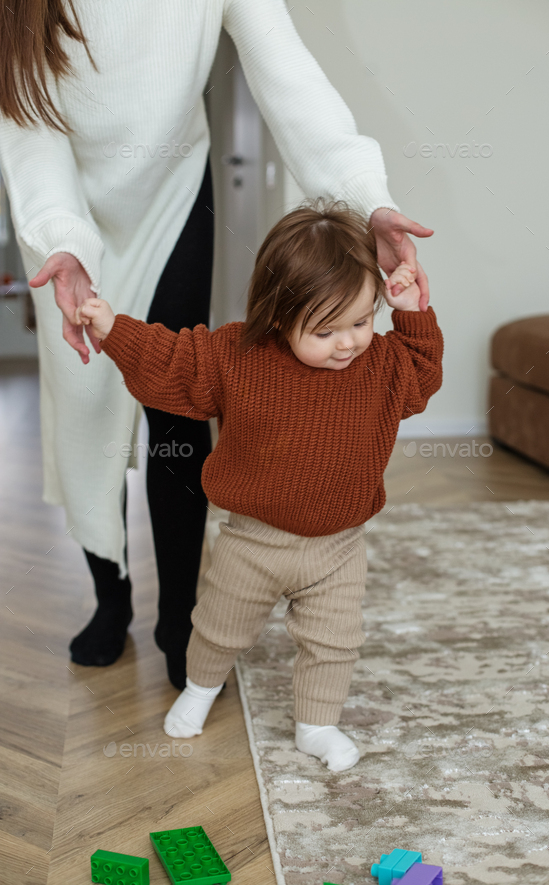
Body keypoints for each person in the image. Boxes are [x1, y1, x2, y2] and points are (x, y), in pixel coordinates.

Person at [0, 0, 434, 690]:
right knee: (84, 408)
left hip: (174, 191)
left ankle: (181, 616)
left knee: (180, 406)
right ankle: (110, 597)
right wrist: (62, 237)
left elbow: (288, 73)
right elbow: (27, 129)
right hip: (69, 215)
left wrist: (363, 195)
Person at [75, 200, 443, 772]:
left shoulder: (384, 365)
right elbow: (172, 360)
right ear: (276, 315)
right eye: (324, 330)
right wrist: (111, 328)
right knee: (219, 627)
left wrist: (410, 311)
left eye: (361, 322)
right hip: (252, 543)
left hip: (338, 547)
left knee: (335, 642)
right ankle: (197, 691)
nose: (347, 343)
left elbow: (423, 371)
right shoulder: (238, 354)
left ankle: (316, 727)